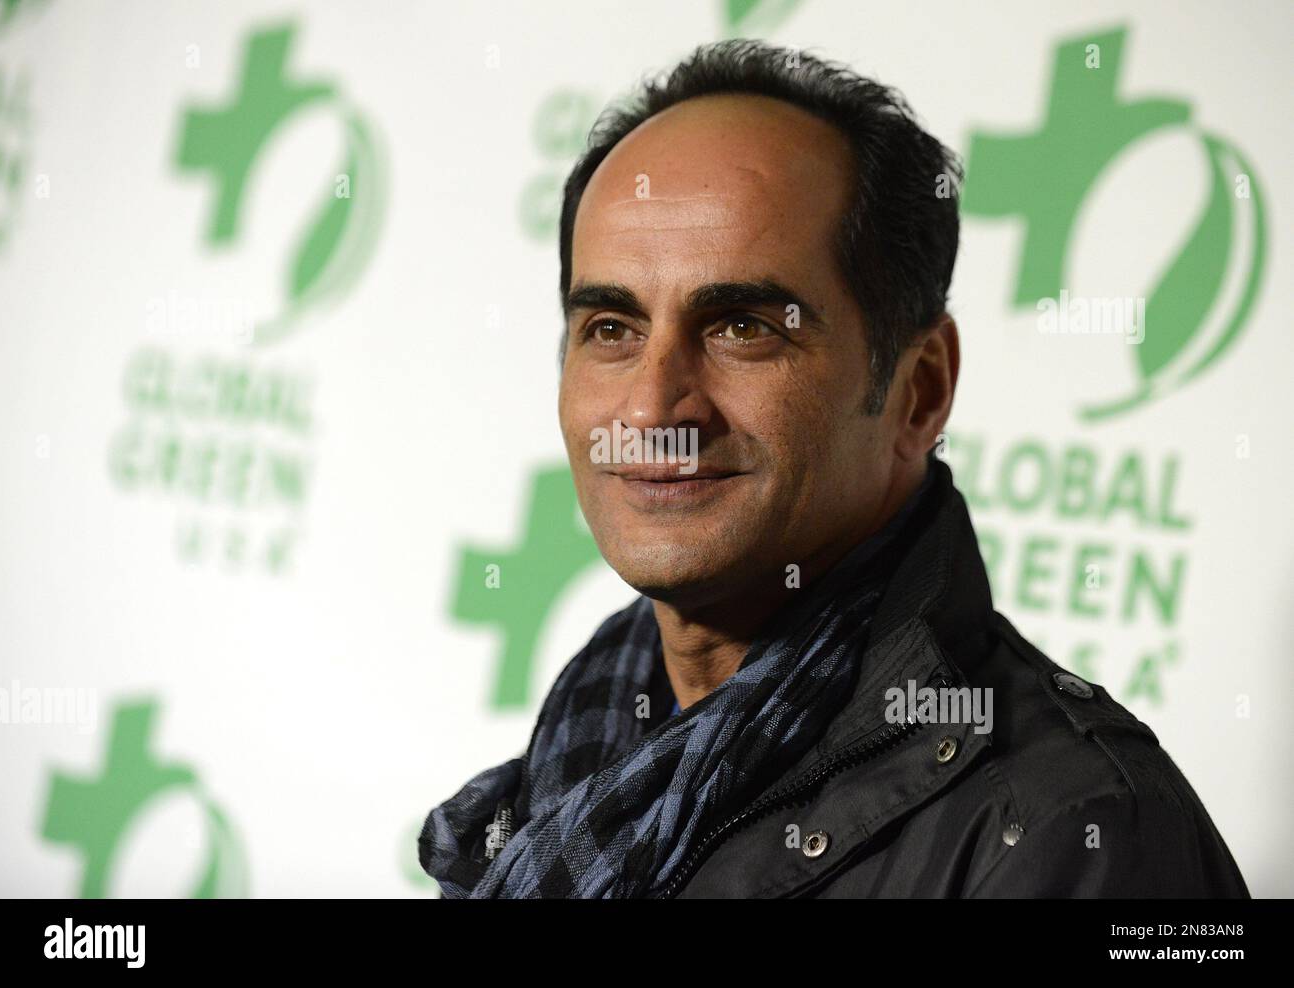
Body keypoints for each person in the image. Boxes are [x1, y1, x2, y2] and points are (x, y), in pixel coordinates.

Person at [419, 38, 1249, 898]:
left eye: (743, 326)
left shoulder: (1080, 830)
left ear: (918, 392)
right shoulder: (589, 743)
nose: (652, 409)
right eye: (612, 329)